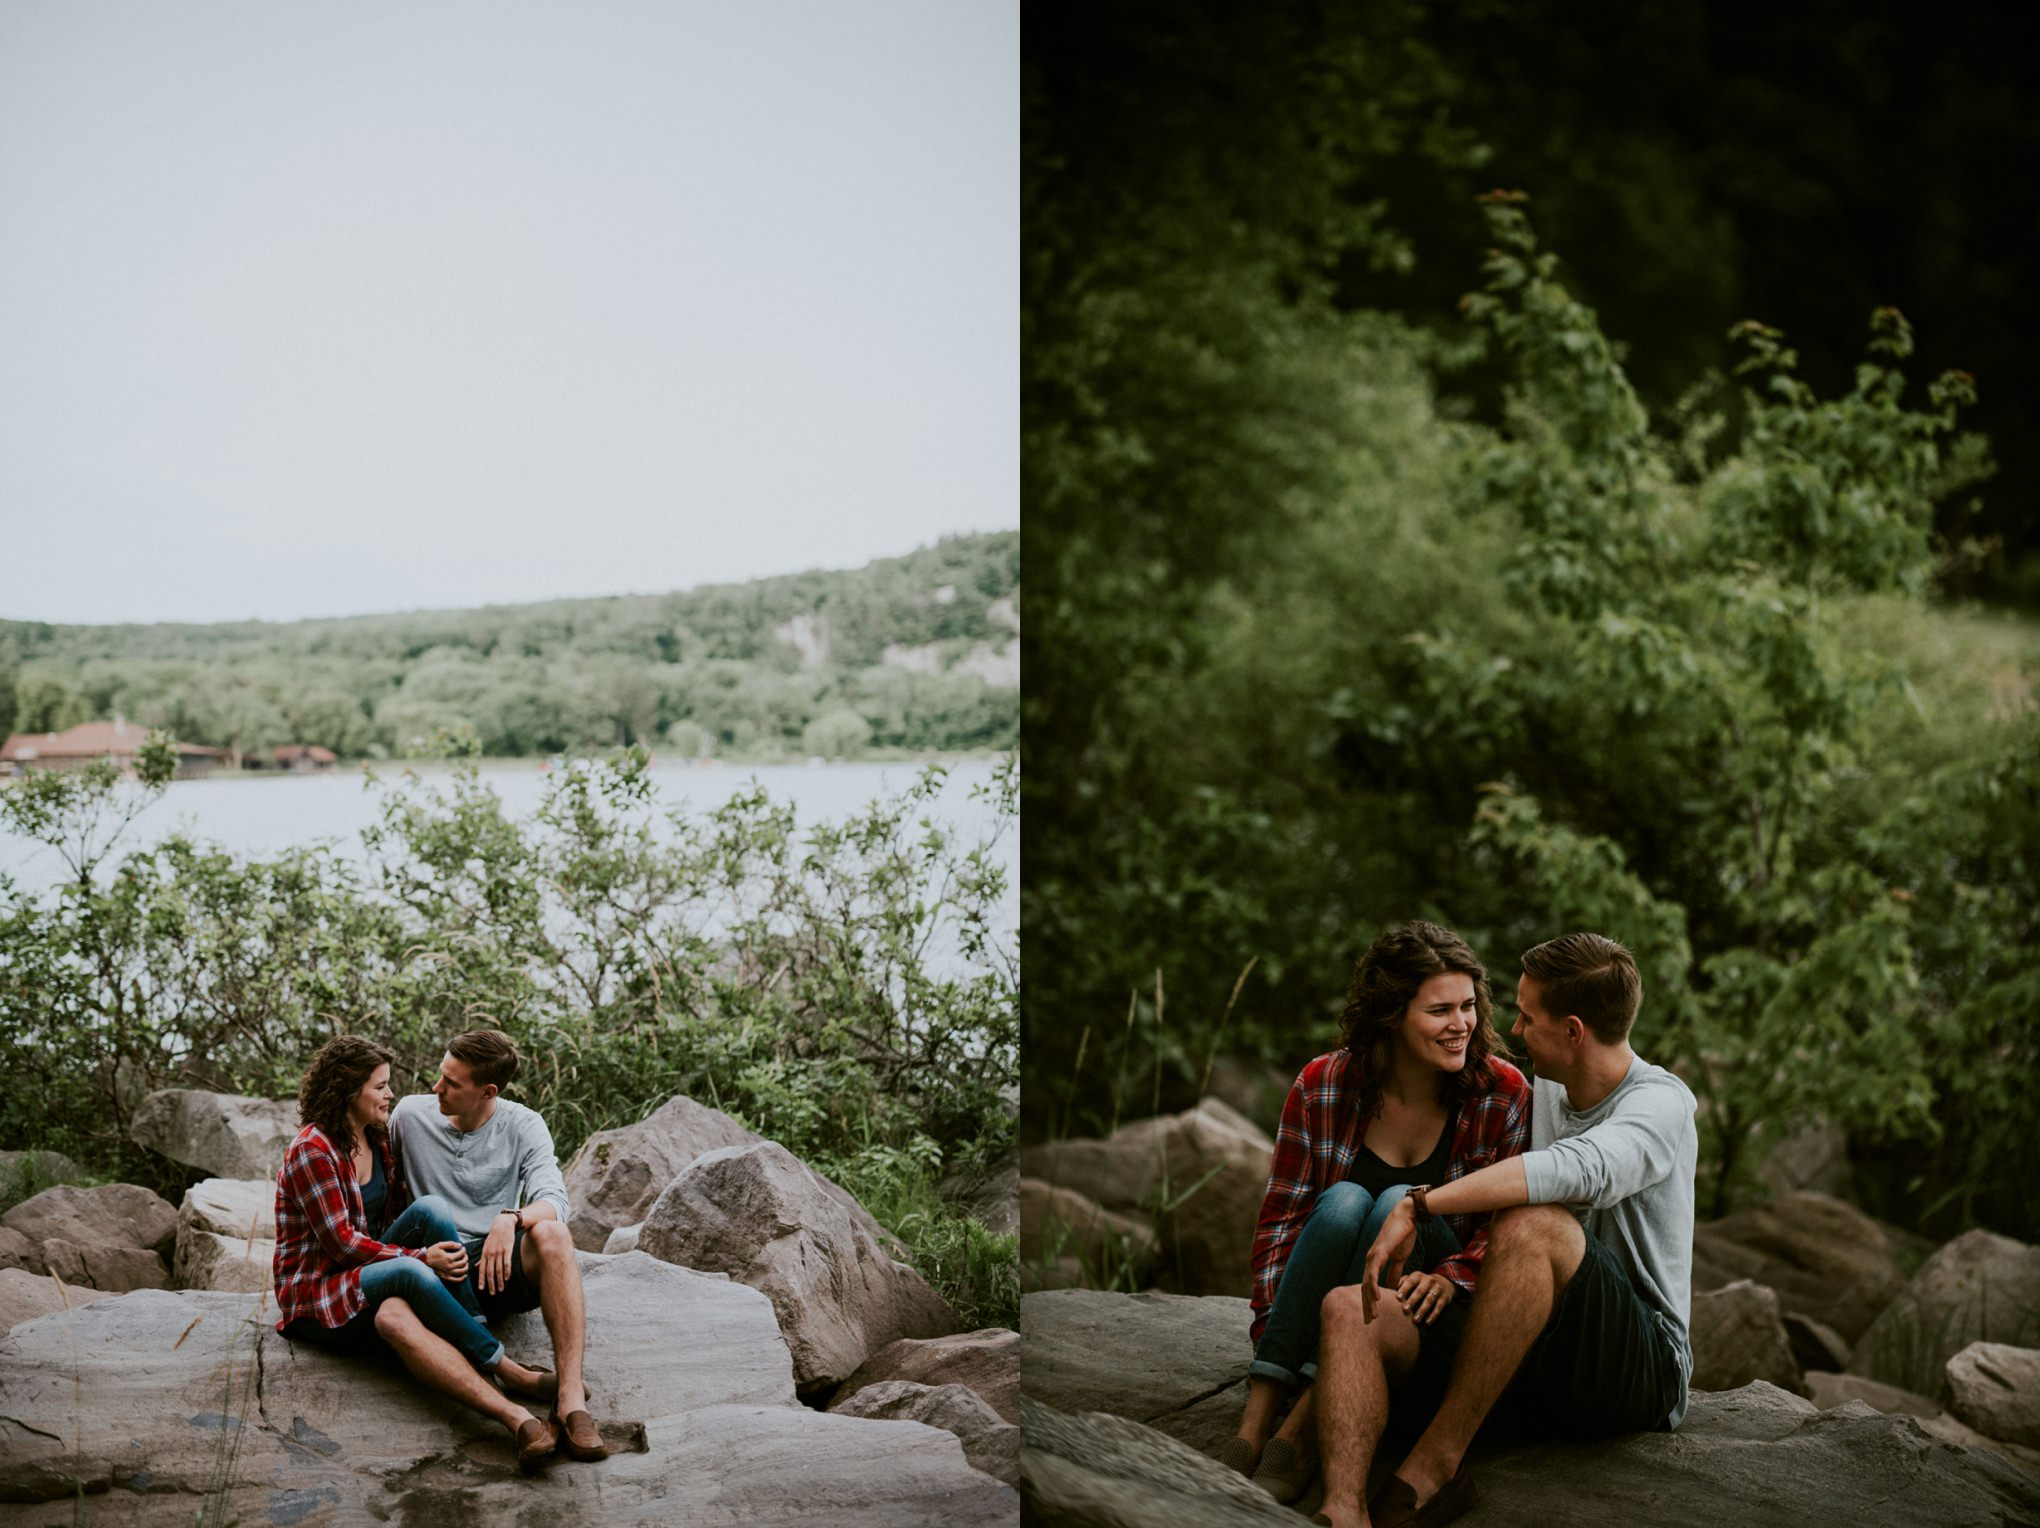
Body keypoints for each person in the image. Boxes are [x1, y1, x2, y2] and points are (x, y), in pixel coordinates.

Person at [1312, 931, 1698, 1528]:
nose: (1514, 1031)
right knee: (1348, 1311)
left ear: (1573, 1031)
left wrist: (1419, 1205)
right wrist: (1449, 1277)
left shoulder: (1660, 1104)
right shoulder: (1540, 1090)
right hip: (1521, 1341)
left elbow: (1582, 1170)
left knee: (1535, 1221)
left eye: (1527, 1016)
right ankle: (1342, 1509)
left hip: (1637, 1364)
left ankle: (1437, 1465)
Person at [1218, 922, 1530, 1505]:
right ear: (1391, 1013)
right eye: (1440, 1010)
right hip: (1319, 1300)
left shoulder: (1503, 1093)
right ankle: (1257, 1414)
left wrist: (1452, 1276)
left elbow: (1507, 1226)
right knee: (1340, 1203)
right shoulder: (1322, 1084)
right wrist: (1271, 1324)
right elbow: (1281, 1223)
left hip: (1417, 1302)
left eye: (1468, 1005)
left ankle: (1304, 1422)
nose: (1461, 1024)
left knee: (1397, 1203)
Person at [273, 1034, 564, 1474]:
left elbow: (398, 1214)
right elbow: (342, 1245)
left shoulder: (376, 1137)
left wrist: (488, 1225)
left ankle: (473, 1333)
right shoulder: (313, 1150)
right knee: (411, 1268)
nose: (392, 1093)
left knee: (431, 1209)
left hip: (363, 1275)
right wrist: (420, 1258)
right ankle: (504, 1366)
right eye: (380, 1086)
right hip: (318, 1288)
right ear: (349, 1092)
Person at [387, 1028, 607, 1464]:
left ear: (488, 1091)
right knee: (430, 1223)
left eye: (452, 1083)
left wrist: (511, 1219)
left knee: (553, 1235)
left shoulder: (523, 1124)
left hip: (494, 1267)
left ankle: (569, 1401)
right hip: (434, 1266)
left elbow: (555, 1203)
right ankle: (506, 1377)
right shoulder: (410, 1117)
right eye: (440, 1075)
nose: (436, 1088)